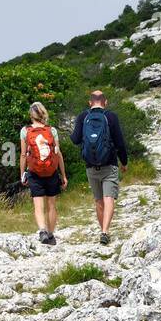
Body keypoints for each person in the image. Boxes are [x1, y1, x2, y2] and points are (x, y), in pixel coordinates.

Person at [70, 90, 128, 246]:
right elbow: (120, 143)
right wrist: (124, 162)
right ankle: (105, 231)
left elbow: (75, 140)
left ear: (90, 102)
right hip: (109, 164)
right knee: (109, 198)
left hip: (90, 166)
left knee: (98, 200)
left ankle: (102, 229)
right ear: (105, 102)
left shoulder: (83, 117)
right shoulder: (111, 117)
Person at [19, 102, 67, 245]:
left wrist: (22, 173)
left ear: (31, 115)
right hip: (51, 172)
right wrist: (63, 175)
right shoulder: (51, 130)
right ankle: (51, 235)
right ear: (43, 114)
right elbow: (58, 154)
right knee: (51, 205)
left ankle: (42, 230)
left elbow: (23, 155)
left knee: (38, 205)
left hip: (34, 172)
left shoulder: (25, 131)